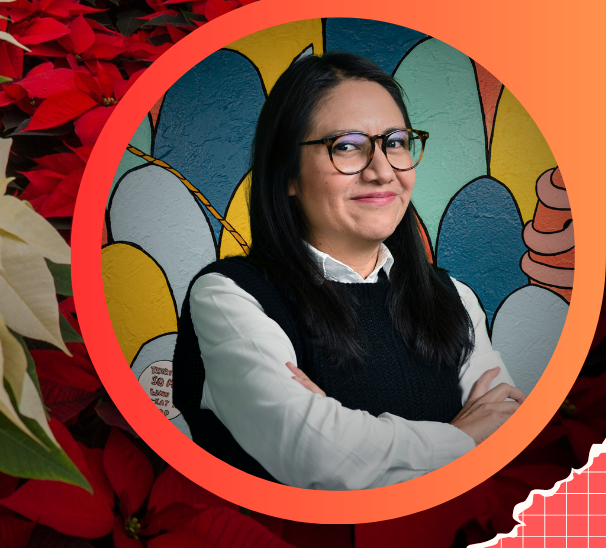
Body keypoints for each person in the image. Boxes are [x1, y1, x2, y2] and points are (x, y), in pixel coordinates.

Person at [171, 52, 521, 490]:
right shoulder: (229, 296)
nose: (382, 171)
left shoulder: (454, 297)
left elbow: (506, 433)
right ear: (287, 176)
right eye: (347, 146)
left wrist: (353, 436)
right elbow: (319, 457)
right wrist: (461, 436)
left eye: (395, 142)